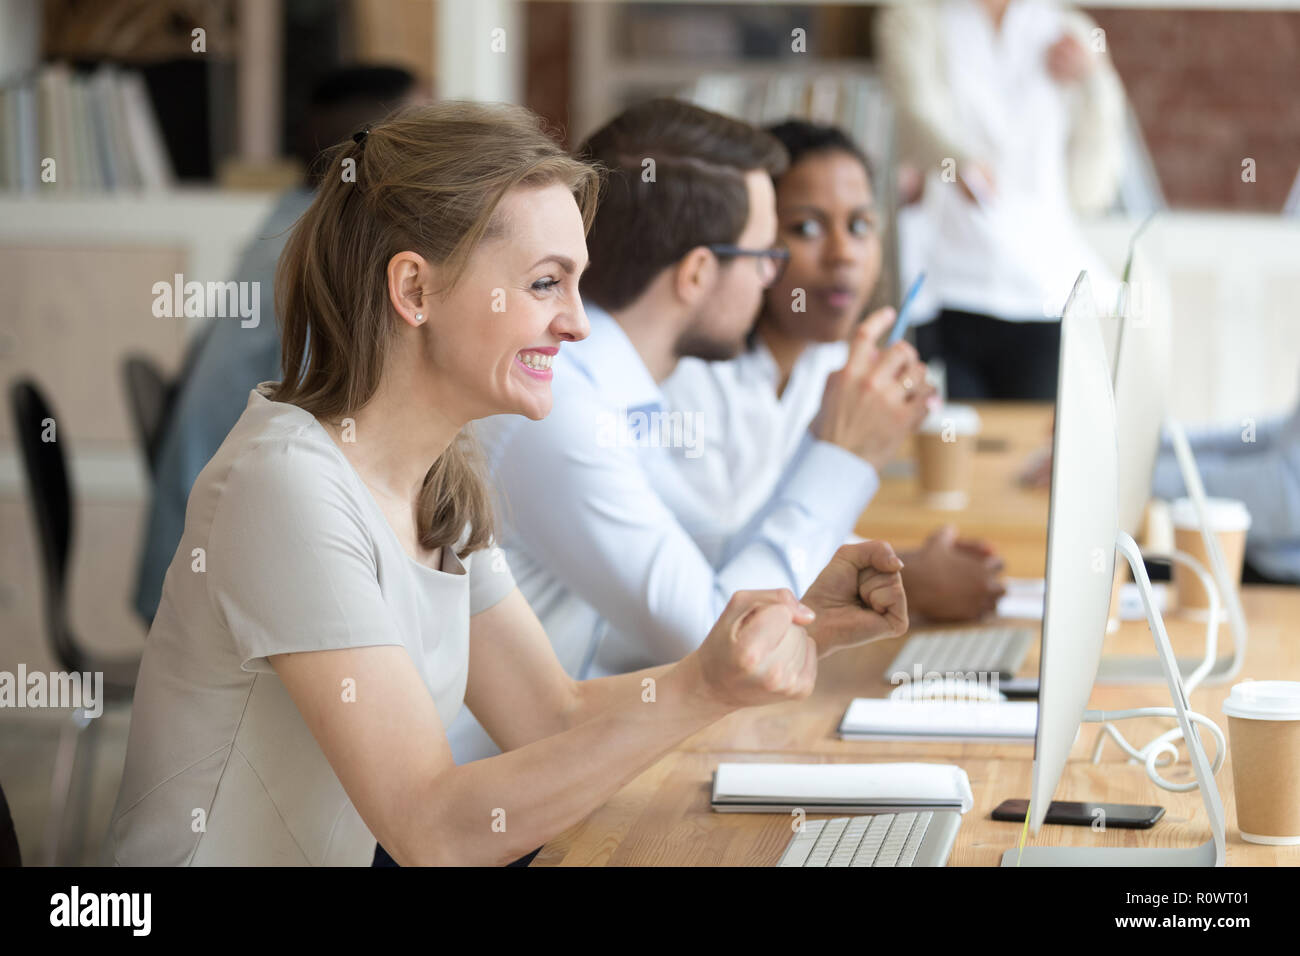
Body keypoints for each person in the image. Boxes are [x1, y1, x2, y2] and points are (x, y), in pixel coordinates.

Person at [104, 101, 910, 866]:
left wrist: (748, 659)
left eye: (578, 283)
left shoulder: (441, 475)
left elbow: (549, 714)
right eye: (544, 283)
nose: (579, 323)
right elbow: (433, 830)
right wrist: (703, 688)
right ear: (415, 290)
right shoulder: (286, 486)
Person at [445, 100, 930, 765]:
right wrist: (843, 457)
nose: (772, 279)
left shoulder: (612, 391)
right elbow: (709, 635)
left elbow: (710, 555)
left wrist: (830, 443)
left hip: (556, 765)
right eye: (765, 255)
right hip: (494, 803)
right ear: (699, 272)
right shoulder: (557, 405)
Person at [663, 119, 1006, 624]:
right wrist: (902, 578)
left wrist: (892, 563)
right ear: (752, 238)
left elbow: (799, 528)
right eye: (806, 228)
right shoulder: (687, 381)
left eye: (860, 226)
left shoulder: (826, 365)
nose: (843, 253)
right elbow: (716, 590)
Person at [132, 65, 420, 624]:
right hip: (223, 554)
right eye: (424, 131)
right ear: (388, 147)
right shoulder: (326, 251)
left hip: (214, 525)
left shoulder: (292, 216)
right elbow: (343, 425)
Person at [877, 0, 1126, 400]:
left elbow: (1095, 181)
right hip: (950, 287)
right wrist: (957, 163)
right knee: (952, 436)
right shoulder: (915, 18)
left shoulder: (1069, 28)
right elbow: (912, 113)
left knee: (1037, 449)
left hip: (1042, 291)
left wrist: (1093, 79)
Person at [1150, 379, 1300, 584]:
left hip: (1277, 578)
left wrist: (1145, 476)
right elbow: (1275, 436)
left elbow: (1286, 495)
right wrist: (1163, 443)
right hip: (1261, 556)